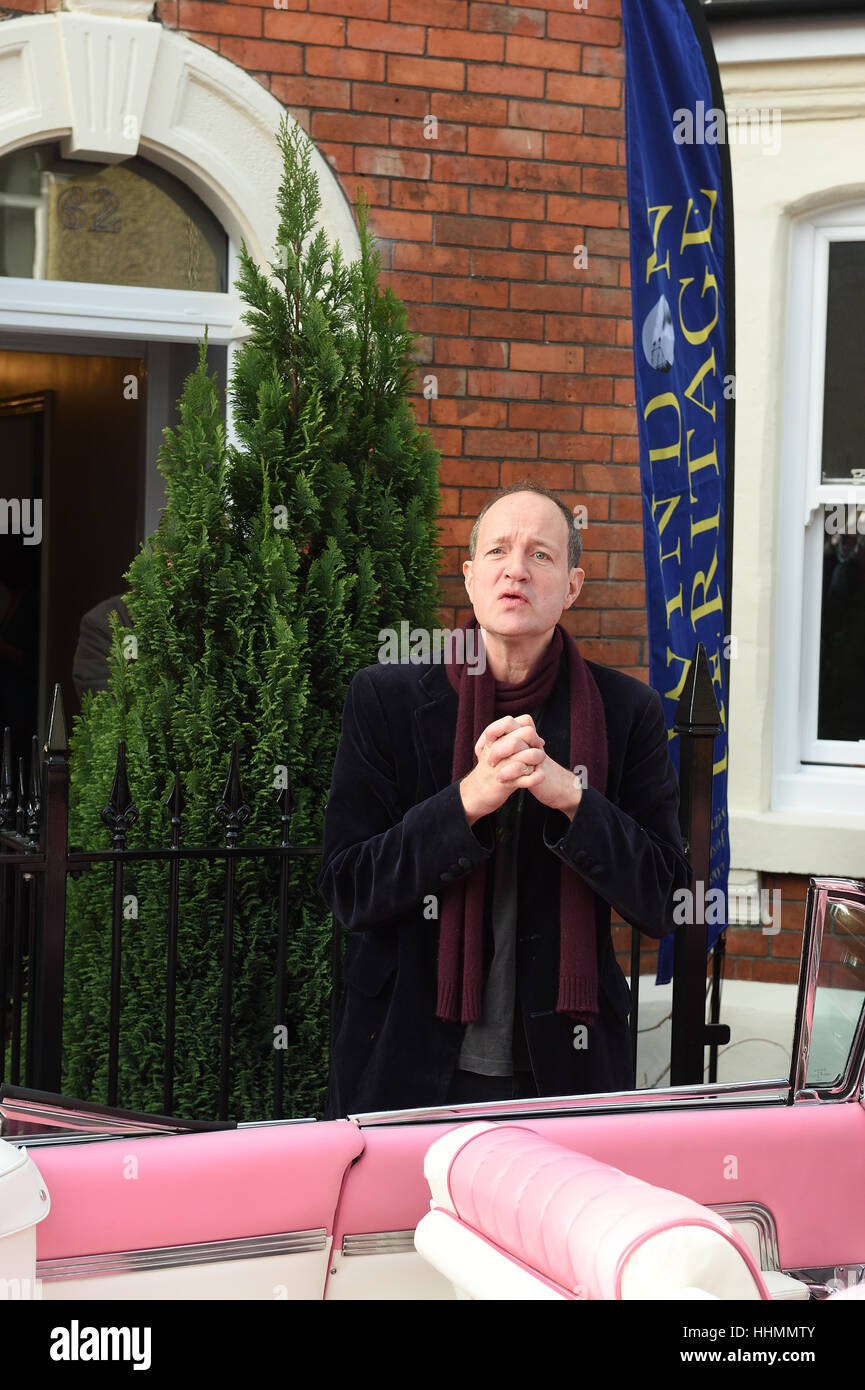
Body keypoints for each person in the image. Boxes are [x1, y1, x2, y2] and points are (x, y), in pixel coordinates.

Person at [319, 483, 691, 1116]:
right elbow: (349, 887)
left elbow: (669, 901)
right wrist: (465, 802)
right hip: (406, 1061)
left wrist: (574, 798)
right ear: (470, 577)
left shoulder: (628, 714)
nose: (515, 568)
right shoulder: (388, 700)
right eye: (497, 551)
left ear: (573, 586)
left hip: (562, 1072)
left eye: (540, 555)